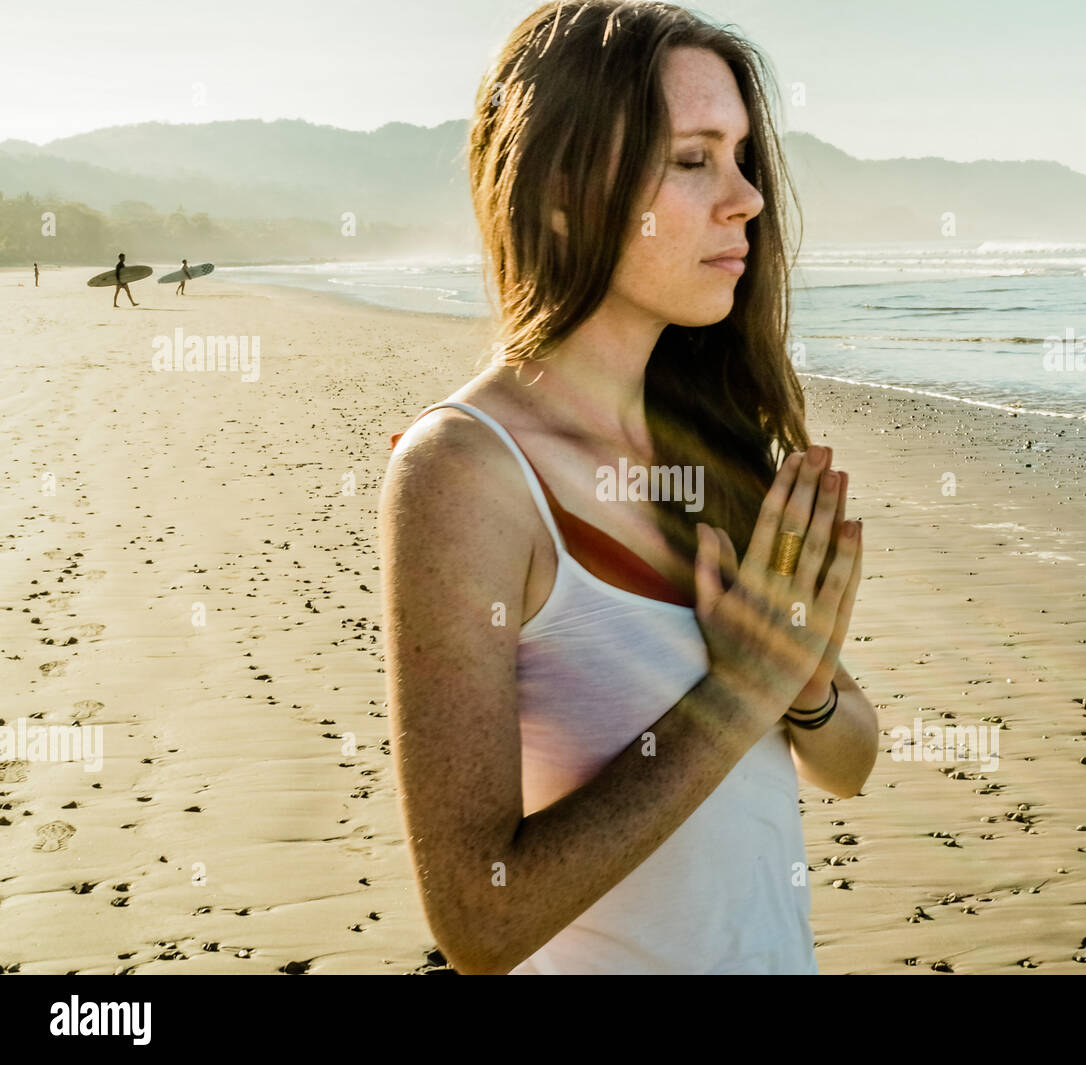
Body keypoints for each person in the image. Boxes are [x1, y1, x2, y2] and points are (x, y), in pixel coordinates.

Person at [380, 0, 878, 976]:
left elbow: (849, 762)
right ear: (564, 189)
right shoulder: (465, 472)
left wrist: (805, 687)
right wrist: (738, 697)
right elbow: (477, 923)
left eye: (739, 156)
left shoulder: (719, 447)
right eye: (692, 160)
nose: (745, 199)